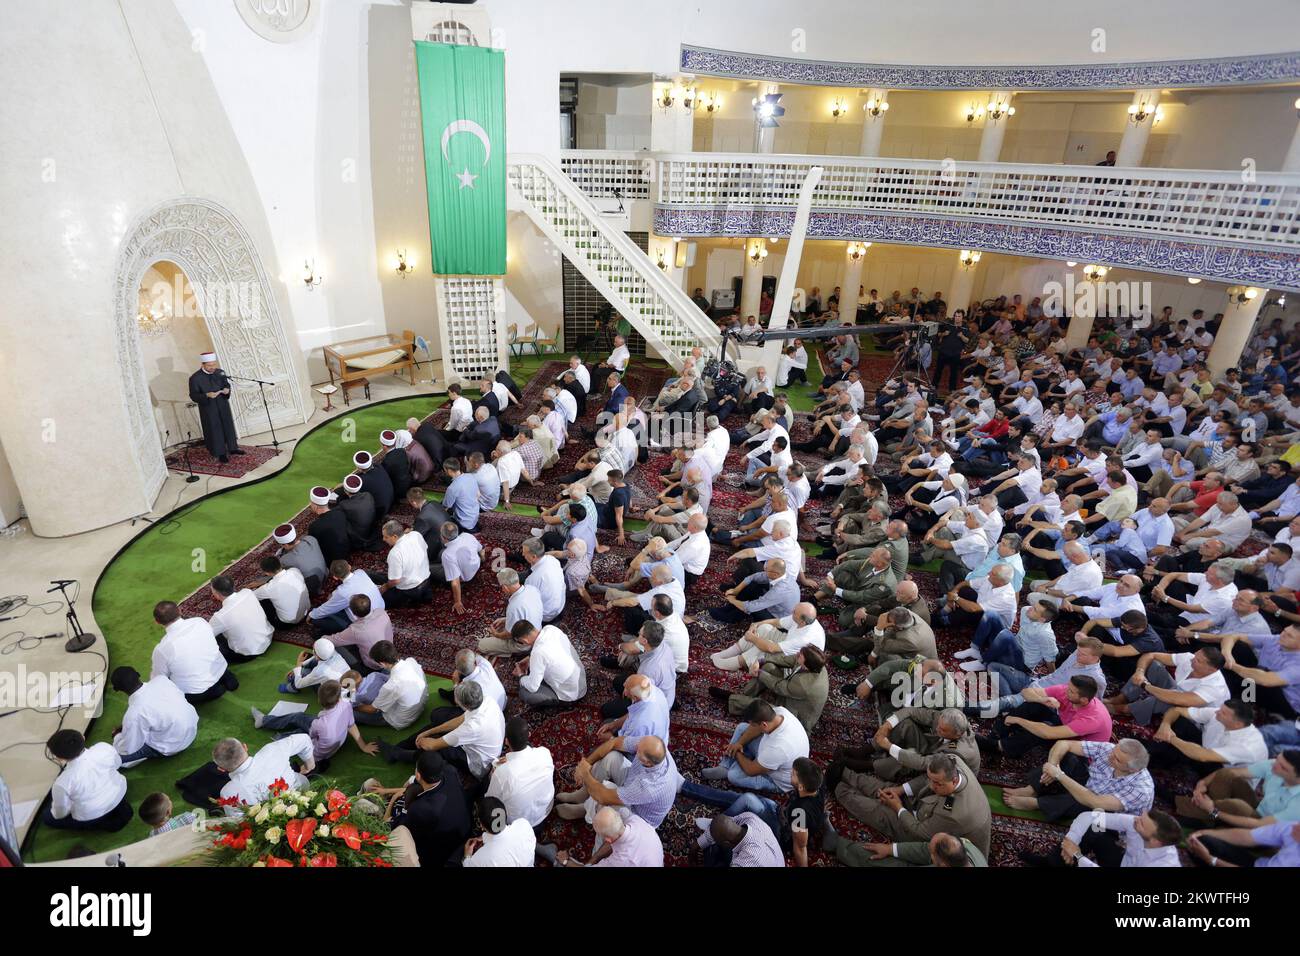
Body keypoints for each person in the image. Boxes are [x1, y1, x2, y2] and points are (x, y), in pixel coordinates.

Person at [829, 753, 992, 866]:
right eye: (931, 780)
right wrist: (900, 790)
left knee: (881, 812)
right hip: (927, 808)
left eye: (937, 784)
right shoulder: (952, 763)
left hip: (933, 833)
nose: (932, 786)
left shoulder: (956, 813)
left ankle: (839, 789)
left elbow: (920, 834)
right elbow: (928, 780)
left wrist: (898, 808)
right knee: (889, 790)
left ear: (954, 779)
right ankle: (843, 773)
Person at [1003, 739, 1155, 823]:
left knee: (1086, 802)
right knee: (1068, 758)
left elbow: (1097, 802)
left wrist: (1059, 775)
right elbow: (1063, 744)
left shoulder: (1141, 789)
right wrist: (1054, 765)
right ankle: (1032, 789)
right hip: (1091, 785)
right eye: (1113, 752)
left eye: (1117, 759)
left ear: (1132, 769)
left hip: (1107, 815)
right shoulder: (1110, 750)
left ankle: (1036, 804)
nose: (1110, 756)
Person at [690, 700, 809, 796]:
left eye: (753, 723)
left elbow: (751, 770)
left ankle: (733, 763)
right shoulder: (779, 712)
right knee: (742, 728)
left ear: (764, 724)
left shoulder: (779, 748)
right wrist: (739, 744)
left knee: (734, 776)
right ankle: (725, 766)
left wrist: (736, 752)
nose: (751, 726)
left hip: (776, 780)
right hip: (771, 755)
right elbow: (754, 728)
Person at [251, 678, 379, 764]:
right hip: (334, 746)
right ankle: (279, 734)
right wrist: (363, 745)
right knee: (302, 725)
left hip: (315, 754)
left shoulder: (320, 724)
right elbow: (349, 682)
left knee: (298, 718)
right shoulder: (347, 703)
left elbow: (311, 736)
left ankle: (264, 721)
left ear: (319, 701)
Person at [388, 750, 472, 867]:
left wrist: (393, 800)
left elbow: (396, 828)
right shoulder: (450, 772)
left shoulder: (421, 809)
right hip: (464, 834)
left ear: (418, 775)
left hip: (438, 856)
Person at [150, 601, 239, 704]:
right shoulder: (199, 621)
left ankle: (215, 691)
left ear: (157, 622)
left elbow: (158, 678)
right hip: (222, 672)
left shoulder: (162, 649)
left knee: (163, 680)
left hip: (198, 693)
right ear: (179, 610)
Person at [42, 730, 132, 832]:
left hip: (93, 815)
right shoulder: (104, 747)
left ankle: (97, 825)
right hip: (119, 794)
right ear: (83, 738)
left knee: (47, 816)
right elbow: (117, 764)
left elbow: (60, 813)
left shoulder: (62, 783)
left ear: (60, 758)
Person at [109, 665, 199, 766]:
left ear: (118, 689)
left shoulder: (134, 714)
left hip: (174, 745)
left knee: (118, 759)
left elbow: (130, 748)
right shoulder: (162, 680)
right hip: (192, 727)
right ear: (138, 674)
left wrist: (117, 737)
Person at [213, 734, 315, 812]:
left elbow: (239, 822)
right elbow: (304, 739)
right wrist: (309, 765)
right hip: (304, 795)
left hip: (272, 826)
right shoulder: (272, 749)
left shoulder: (228, 792)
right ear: (245, 747)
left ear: (221, 769)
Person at [485, 716, 556, 827]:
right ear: (529, 735)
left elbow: (492, 799)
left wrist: (494, 774)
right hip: (546, 811)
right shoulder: (544, 753)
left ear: (506, 741)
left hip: (520, 825)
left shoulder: (502, 773)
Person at [543, 805, 664, 867]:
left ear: (607, 839)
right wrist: (594, 859)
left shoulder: (619, 861)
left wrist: (565, 861)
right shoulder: (635, 820)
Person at [353, 640, 428, 730]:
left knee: (350, 713)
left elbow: (372, 709)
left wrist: (354, 707)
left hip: (399, 720)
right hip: (419, 705)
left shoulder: (390, 686)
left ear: (382, 663)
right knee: (385, 673)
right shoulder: (411, 661)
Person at [511, 622, 587, 706]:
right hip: (581, 680)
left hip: (570, 696)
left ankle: (558, 702)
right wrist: (530, 659)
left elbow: (533, 687)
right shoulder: (550, 628)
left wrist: (521, 676)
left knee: (524, 693)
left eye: (521, 642)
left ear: (524, 640)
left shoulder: (537, 653)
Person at [188, 351, 242, 462]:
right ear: (203, 365)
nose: (213, 367)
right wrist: (206, 395)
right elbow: (193, 395)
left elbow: (226, 385)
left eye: (214, 364)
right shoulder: (195, 378)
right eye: (209, 365)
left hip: (222, 404)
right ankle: (220, 453)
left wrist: (227, 390)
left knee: (228, 425)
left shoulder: (220, 373)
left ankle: (233, 448)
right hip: (208, 407)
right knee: (214, 429)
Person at [207, 574, 273, 663]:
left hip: (248, 653)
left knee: (210, 644)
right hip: (268, 638)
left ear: (216, 595)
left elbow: (205, 635)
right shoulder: (247, 592)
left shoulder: (220, 617)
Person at [372, 520, 432, 609]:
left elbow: (395, 581)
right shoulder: (416, 535)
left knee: (376, 600)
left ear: (395, 536)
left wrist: (385, 587)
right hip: (426, 582)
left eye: (386, 537)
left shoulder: (394, 553)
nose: (383, 539)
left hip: (410, 590)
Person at [462, 796, 536, 867]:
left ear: (482, 826)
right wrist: (485, 838)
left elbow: (467, 865)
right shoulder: (524, 825)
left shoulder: (482, 858)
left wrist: (467, 856)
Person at [693, 811, 786, 867]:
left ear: (727, 843)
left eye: (717, 840)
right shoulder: (750, 817)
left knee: (711, 854)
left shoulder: (747, 861)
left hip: (765, 861)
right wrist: (696, 845)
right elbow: (723, 825)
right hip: (769, 857)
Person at [251, 555, 310, 628]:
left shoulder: (269, 588)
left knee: (261, 601)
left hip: (288, 623)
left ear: (267, 573)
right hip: (307, 611)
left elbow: (251, 596)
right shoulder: (295, 571)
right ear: (280, 564)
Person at [271, 523, 326, 597]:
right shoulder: (310, 539)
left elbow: (280, 573)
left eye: (281, 545)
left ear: (286, 545)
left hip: (311, 586)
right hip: (325, 573)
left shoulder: (285, 559)